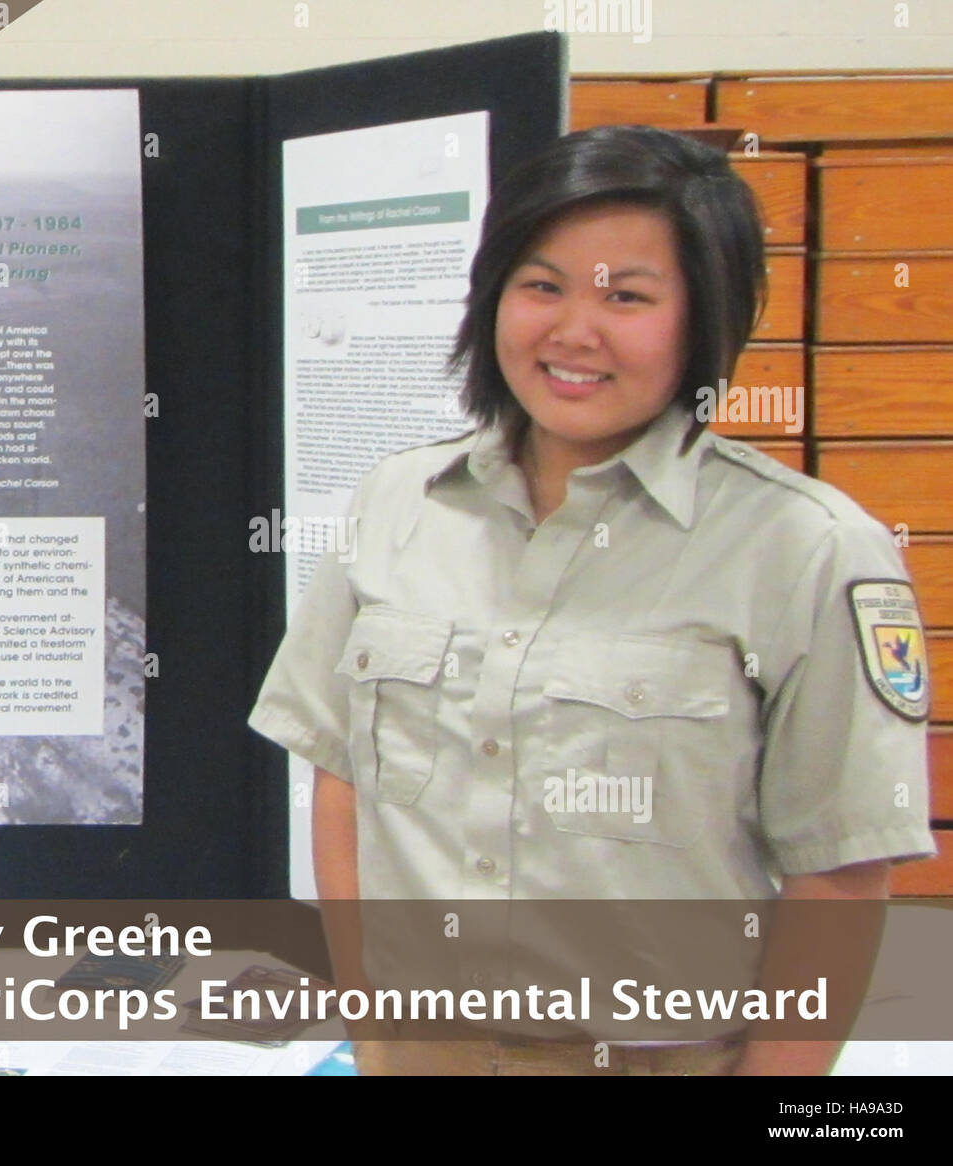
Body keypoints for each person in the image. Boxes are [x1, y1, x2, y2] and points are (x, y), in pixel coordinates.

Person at [248, 125, 936, 1075]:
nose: (575, 330)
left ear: (703, 320)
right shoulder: (397, 505)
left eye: (627, 296)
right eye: (543, 286)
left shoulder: (810, 550)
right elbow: (342, 774)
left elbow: (843, 871)